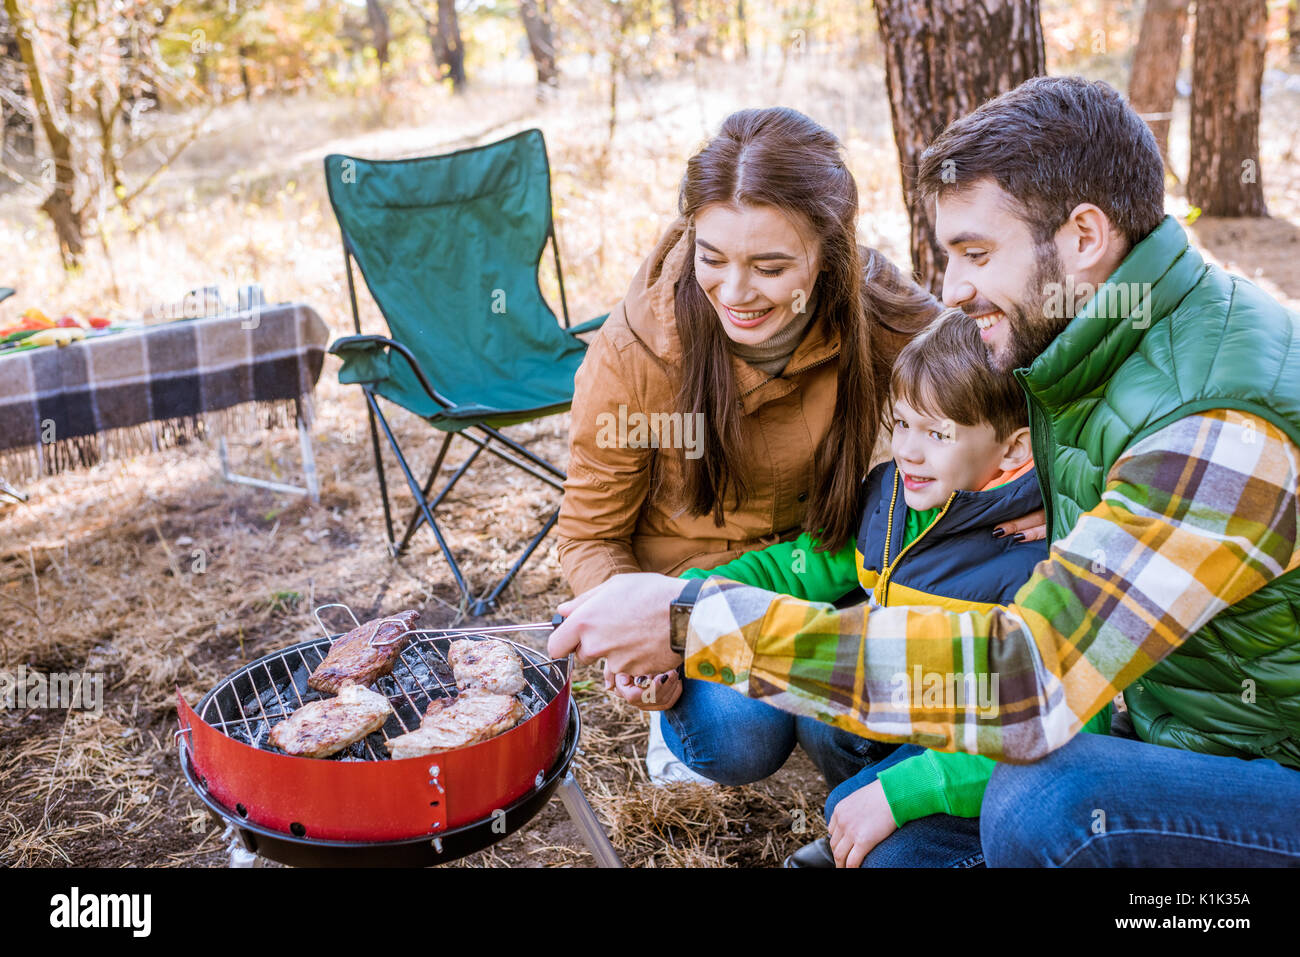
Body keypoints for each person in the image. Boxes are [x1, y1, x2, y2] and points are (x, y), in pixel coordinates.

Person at [550, 76, 1300, 866]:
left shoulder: (1221, 426)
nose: (953, 290)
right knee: (880, 818)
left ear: (1083, 236)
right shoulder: (1086, 333)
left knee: (1045, 802)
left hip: (1255, 763)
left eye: (976, 253)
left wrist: (692, 619)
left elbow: (1026, 681)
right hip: (1141, 718)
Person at [611, 308, 1111, 867]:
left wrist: (909, 791)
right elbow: (799, 569)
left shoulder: (1041, 553)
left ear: (1016, 450)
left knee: (889, 843)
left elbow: (1058, 731)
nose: (908, 450)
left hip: (992, 753)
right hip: (917, 708)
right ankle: (870, 807)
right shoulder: (894, 499)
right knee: (822, 718)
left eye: (937, 433)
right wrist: (682, 598)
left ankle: (909, 834)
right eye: (901, 424)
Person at [555, 107, 950, 785]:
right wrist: (645, 634)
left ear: (829, 253)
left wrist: (1026, 479)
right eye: (712, 258)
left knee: (853, 709)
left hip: (823, 567)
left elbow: (980, 377)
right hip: (694, 596)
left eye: (770, 266)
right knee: (742, 732)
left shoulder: (871, 299)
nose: (734, 292)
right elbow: (589, 536)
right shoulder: (637, 349)